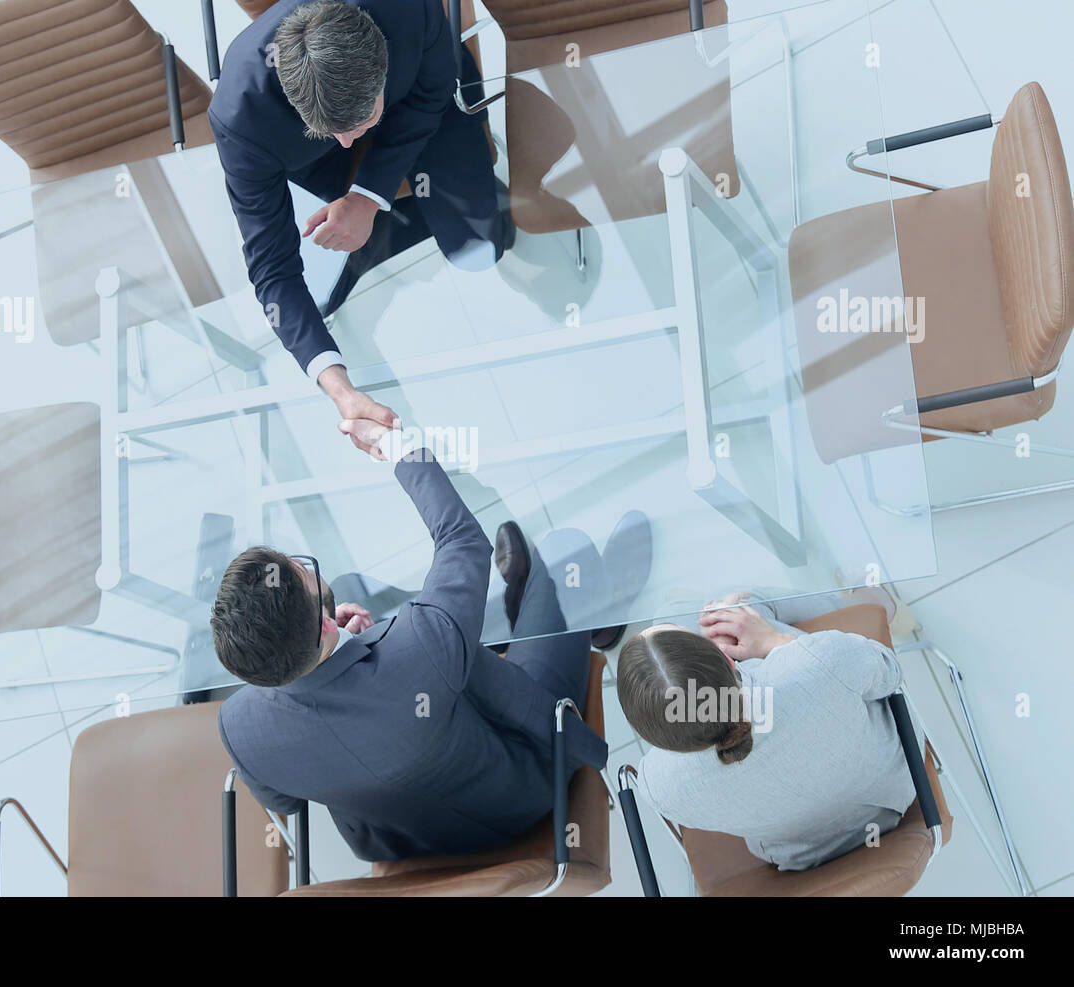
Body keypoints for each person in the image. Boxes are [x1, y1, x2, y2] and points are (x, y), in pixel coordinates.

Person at [209, 420, 621, 861]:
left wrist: (342, 653)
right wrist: (398, 446)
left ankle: (515, 600)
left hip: (407, 846)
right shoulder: (419, 647)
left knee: (351, 584)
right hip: (526, 797)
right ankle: (600, 625)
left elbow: (288, 802)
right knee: (567, 548)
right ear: (326, 626)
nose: (307, 567)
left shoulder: (239, 726)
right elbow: (462, 540)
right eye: (303, 569)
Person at [209, 0, 510, 455]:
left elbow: (431, 93)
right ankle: (394, 222)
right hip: (309, 150)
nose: (351, 143)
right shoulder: (241, 120)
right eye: (334, 130)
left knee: (480, 248)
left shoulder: (410, 10)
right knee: (380, 198)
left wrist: (367, 197)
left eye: (360, 124)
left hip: (419, 99)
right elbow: (272, 271)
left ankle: (395, 218)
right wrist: (340, 390)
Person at [615, 587, 919, 871]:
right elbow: (889, 672)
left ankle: (725, 616)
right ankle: (876, 604)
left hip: (799, 856)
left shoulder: (657, 785)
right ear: (729, 661)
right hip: (893, 792)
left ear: (649, 733)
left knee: (677, 614)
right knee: (742, 605)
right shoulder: (817, 663)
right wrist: (773, 642)